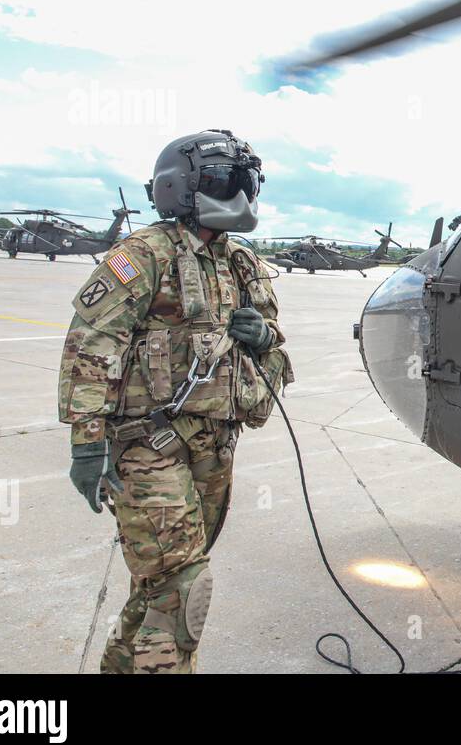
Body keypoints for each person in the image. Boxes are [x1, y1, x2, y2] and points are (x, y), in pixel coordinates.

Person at [57, 129, 293, 673]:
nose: (237, 192)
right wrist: (87, 445)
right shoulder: (143, 257)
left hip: (214, 446)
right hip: (147, 447)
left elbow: (274, 346)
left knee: (157, 587)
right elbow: (91, 348)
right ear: (181, 188)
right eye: (221, 181)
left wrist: (263, 337)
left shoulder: (242, 263)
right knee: (185, 588)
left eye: (243, 181)